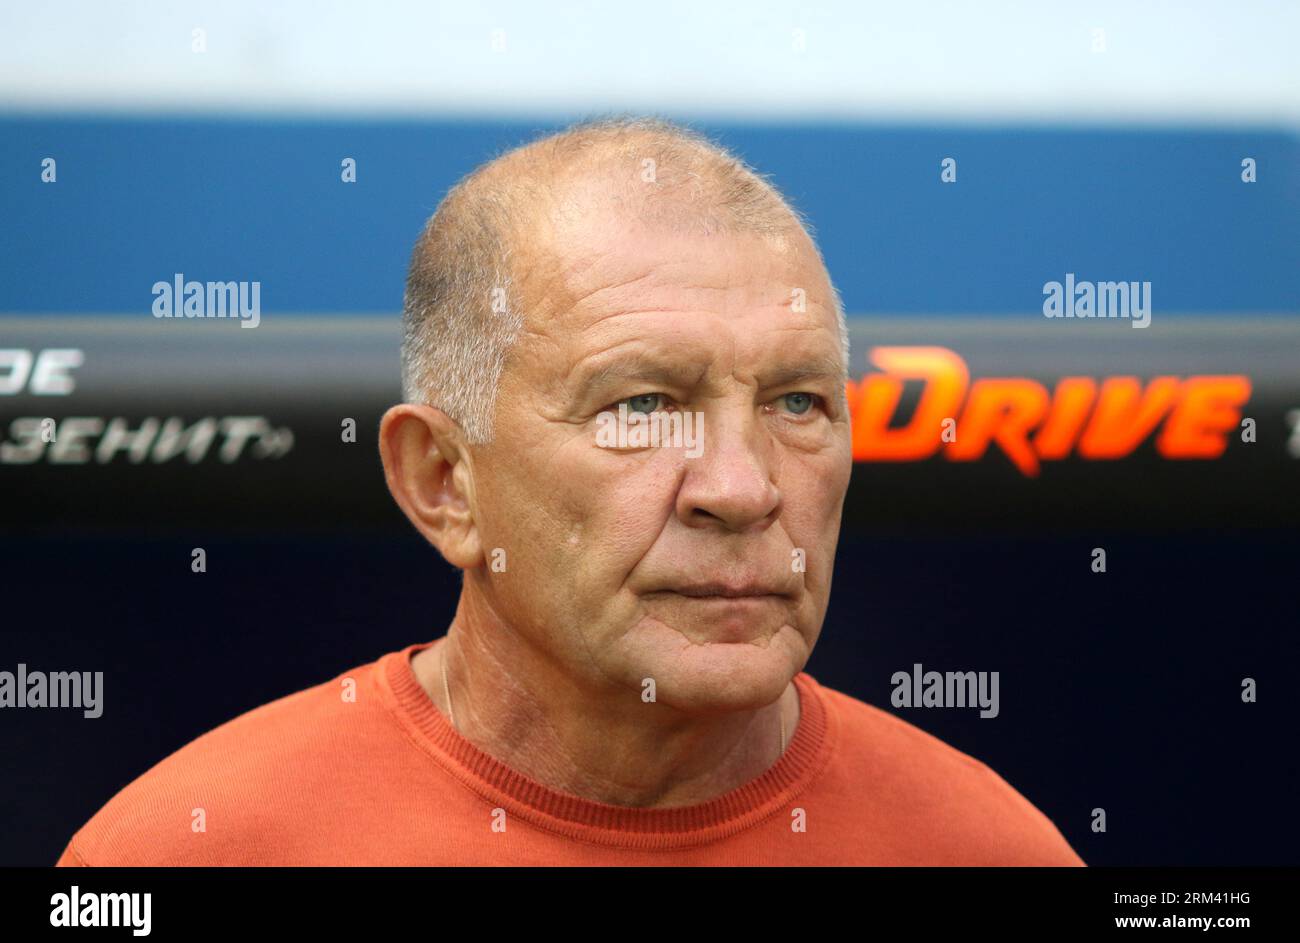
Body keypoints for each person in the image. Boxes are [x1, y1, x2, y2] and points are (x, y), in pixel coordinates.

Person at [56, 117, 1083, 865]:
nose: (740, 487)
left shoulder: (985, 847)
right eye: (641, 403)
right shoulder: (187, 850)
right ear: (443, 481)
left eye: (798, 402)